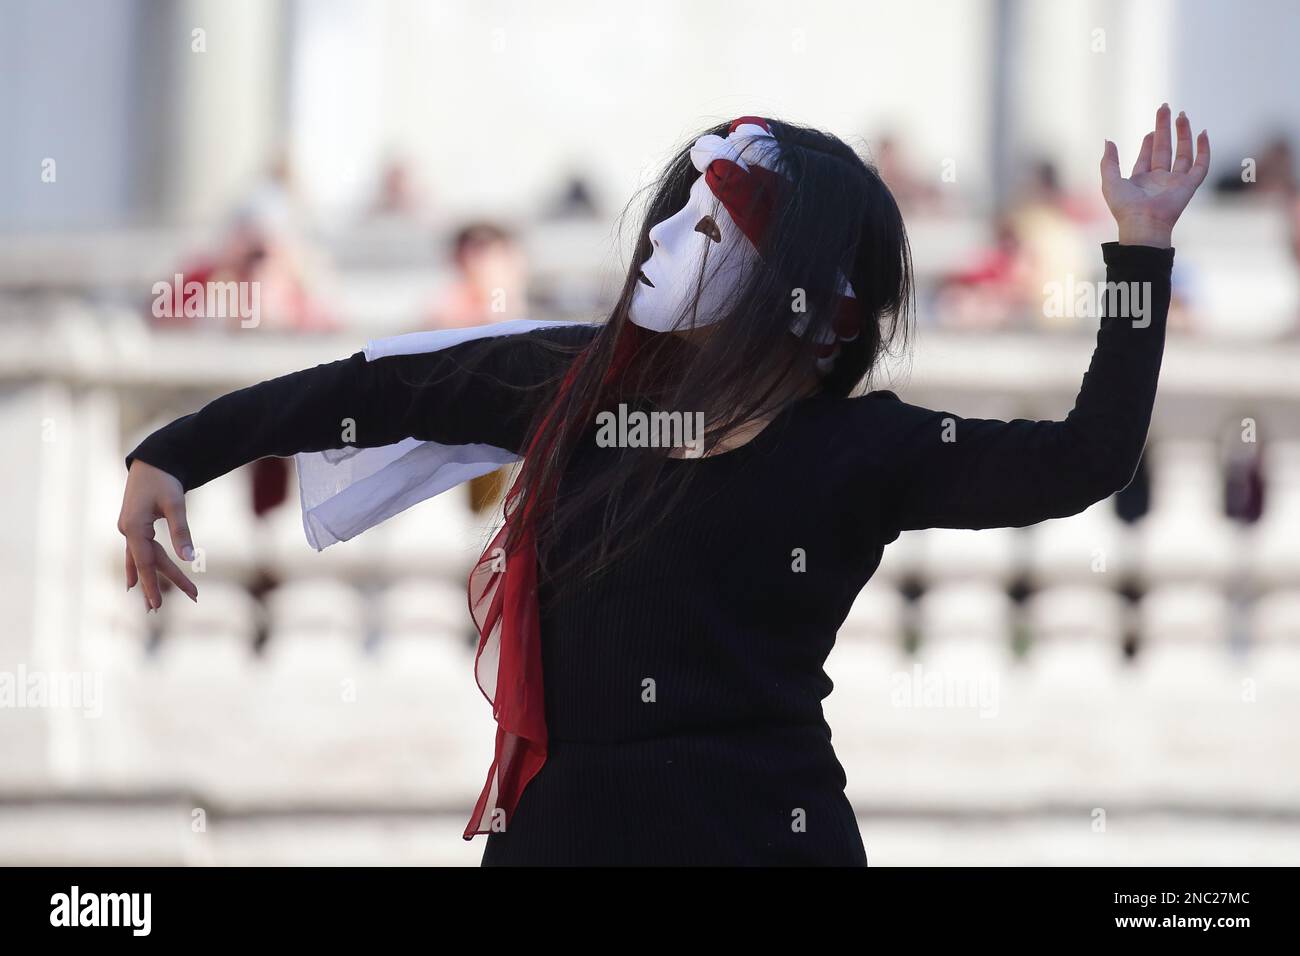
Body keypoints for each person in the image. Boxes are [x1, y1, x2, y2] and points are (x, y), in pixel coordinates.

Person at [117, 107, 1209, 866]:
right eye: (678, 210)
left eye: (709, 226)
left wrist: (1140, 254)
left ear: (800, 295)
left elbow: (1084, 455)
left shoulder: (861, 448)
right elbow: (372, 389)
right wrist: (174, 451)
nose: (662, 240)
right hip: (558, 836)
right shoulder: (571, 385)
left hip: (756, 834)